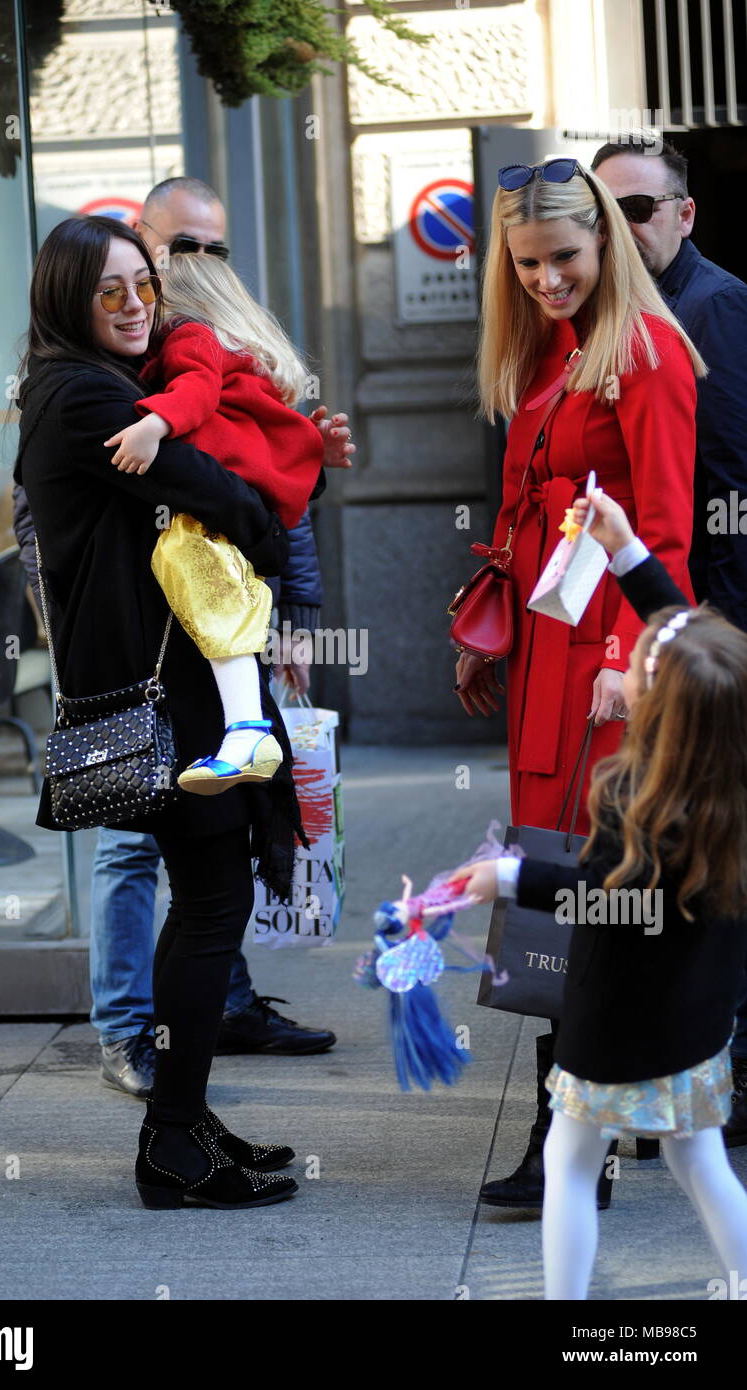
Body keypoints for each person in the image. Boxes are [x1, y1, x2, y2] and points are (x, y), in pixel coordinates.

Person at [13, 178, 350, 1095]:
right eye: (111, 289)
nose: (136, 302)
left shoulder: (130, 377)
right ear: (65, 301)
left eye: (142, 286)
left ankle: (181, 1124)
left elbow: (234, 490)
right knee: (199, 900)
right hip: (148, 694)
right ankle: (156, 1089)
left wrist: (291, 462)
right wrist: (264, 488)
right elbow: (230, 503)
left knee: (209, 900)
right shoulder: (89, 398)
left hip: (177, 687)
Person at [456, 157, 706, 1210]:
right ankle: (613, 1122)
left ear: (605, 242)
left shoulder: (645, 354)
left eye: (562, 257)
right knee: (565, 883)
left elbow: (664, 532)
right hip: (547, 663)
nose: (546, 279)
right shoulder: (556, 358)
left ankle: (577, 1139)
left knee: (589, 898)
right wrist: (486, 622)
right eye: (526, 264)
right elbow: (526, 518)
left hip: (606, 663)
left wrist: (623, 660)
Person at [459, 486, 747, 1300]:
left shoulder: (638, 804)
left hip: (615, 1027)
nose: (621, 667)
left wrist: (504, 876)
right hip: (697, 1029)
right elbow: (687, 639)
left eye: (633, 669)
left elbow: (596, 895)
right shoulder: (727, 768)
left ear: (659, 710)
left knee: (567, 1162)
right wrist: (624, 549)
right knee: (700, 1164)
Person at [593, 137, 747, 1147]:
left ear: (683, 215)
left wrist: (708, 644)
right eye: (607, 214)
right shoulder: (615, 318)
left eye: (640, 210)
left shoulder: (712, 306)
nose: (623, 231)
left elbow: (729, 479)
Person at [104, 250, 325, 793]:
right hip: (252, 489)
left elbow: (196, 392)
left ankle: (246, 727)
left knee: (185, 559)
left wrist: (154, 426)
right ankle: (247, 726)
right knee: (222, 586)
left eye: (148, 293)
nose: (138, 307)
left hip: (230, 486)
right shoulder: (231, 343)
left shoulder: (189, 335)